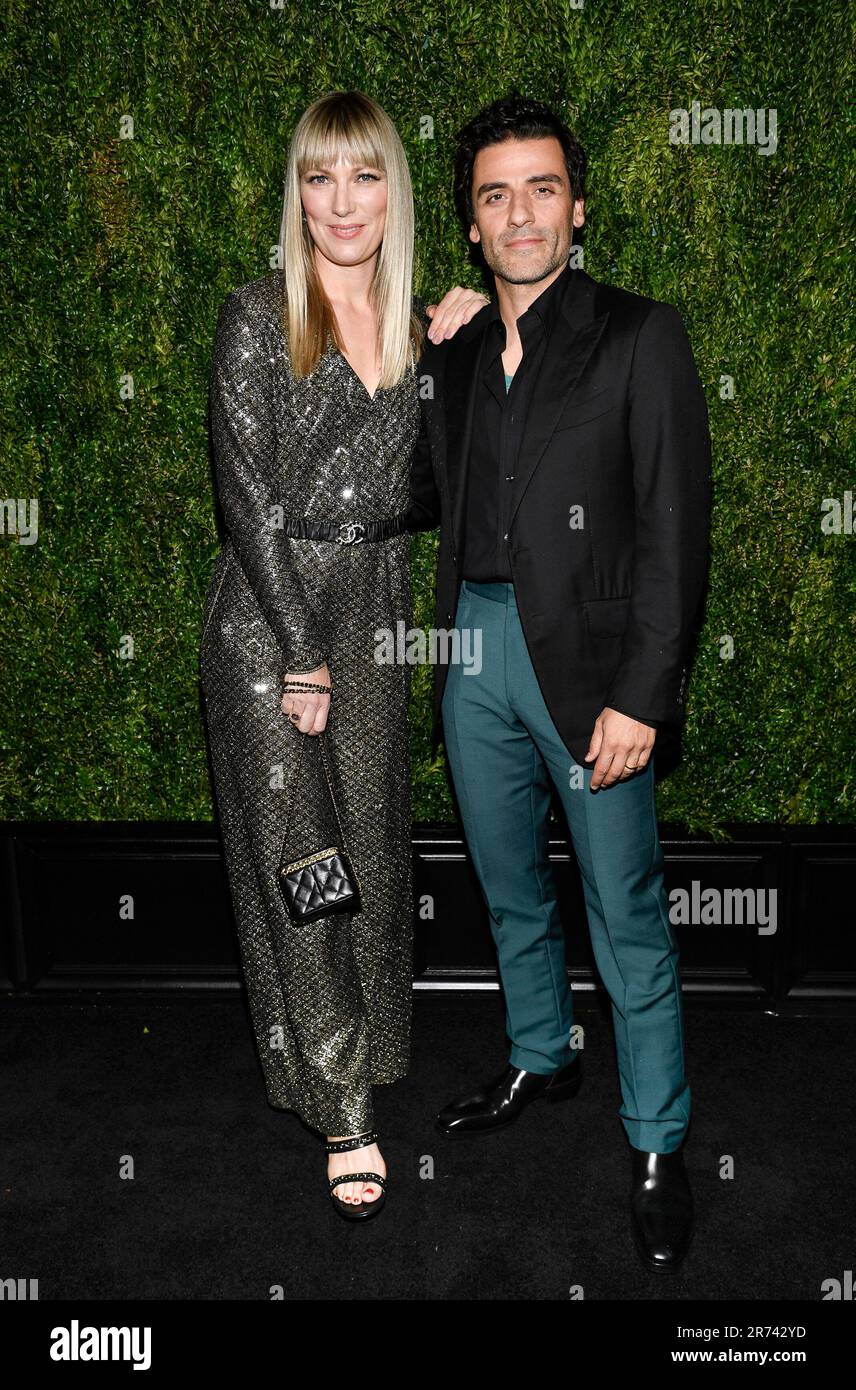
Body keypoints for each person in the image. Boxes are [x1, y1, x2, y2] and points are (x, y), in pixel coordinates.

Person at [406, 95, 712, 1271]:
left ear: (576, 210)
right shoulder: (462, 346)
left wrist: (642, 694)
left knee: (624, 916)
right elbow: (427, 489)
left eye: (541, 189)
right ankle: (542, 1051)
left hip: (588, 675)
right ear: (473, 226)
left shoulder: (642, 335)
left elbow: (674, 534)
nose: (519, 212)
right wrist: (430, 352)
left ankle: (656, 1139)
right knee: (507, 889)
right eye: (494, 194)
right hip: (470, 652)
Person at [199, 88, 487, 1222]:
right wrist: (303, 657)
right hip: (271, 628)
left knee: (368, 850)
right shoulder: (256, 317)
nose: (341, 201)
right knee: (306, 871)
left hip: (378, 612)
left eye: (363, 175)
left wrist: (458, 335)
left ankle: (354, 1053)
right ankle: (345, 1110)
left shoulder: (422, 325)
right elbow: (249, 502)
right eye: (318, 177)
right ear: (296, 194)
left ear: (394, 191)